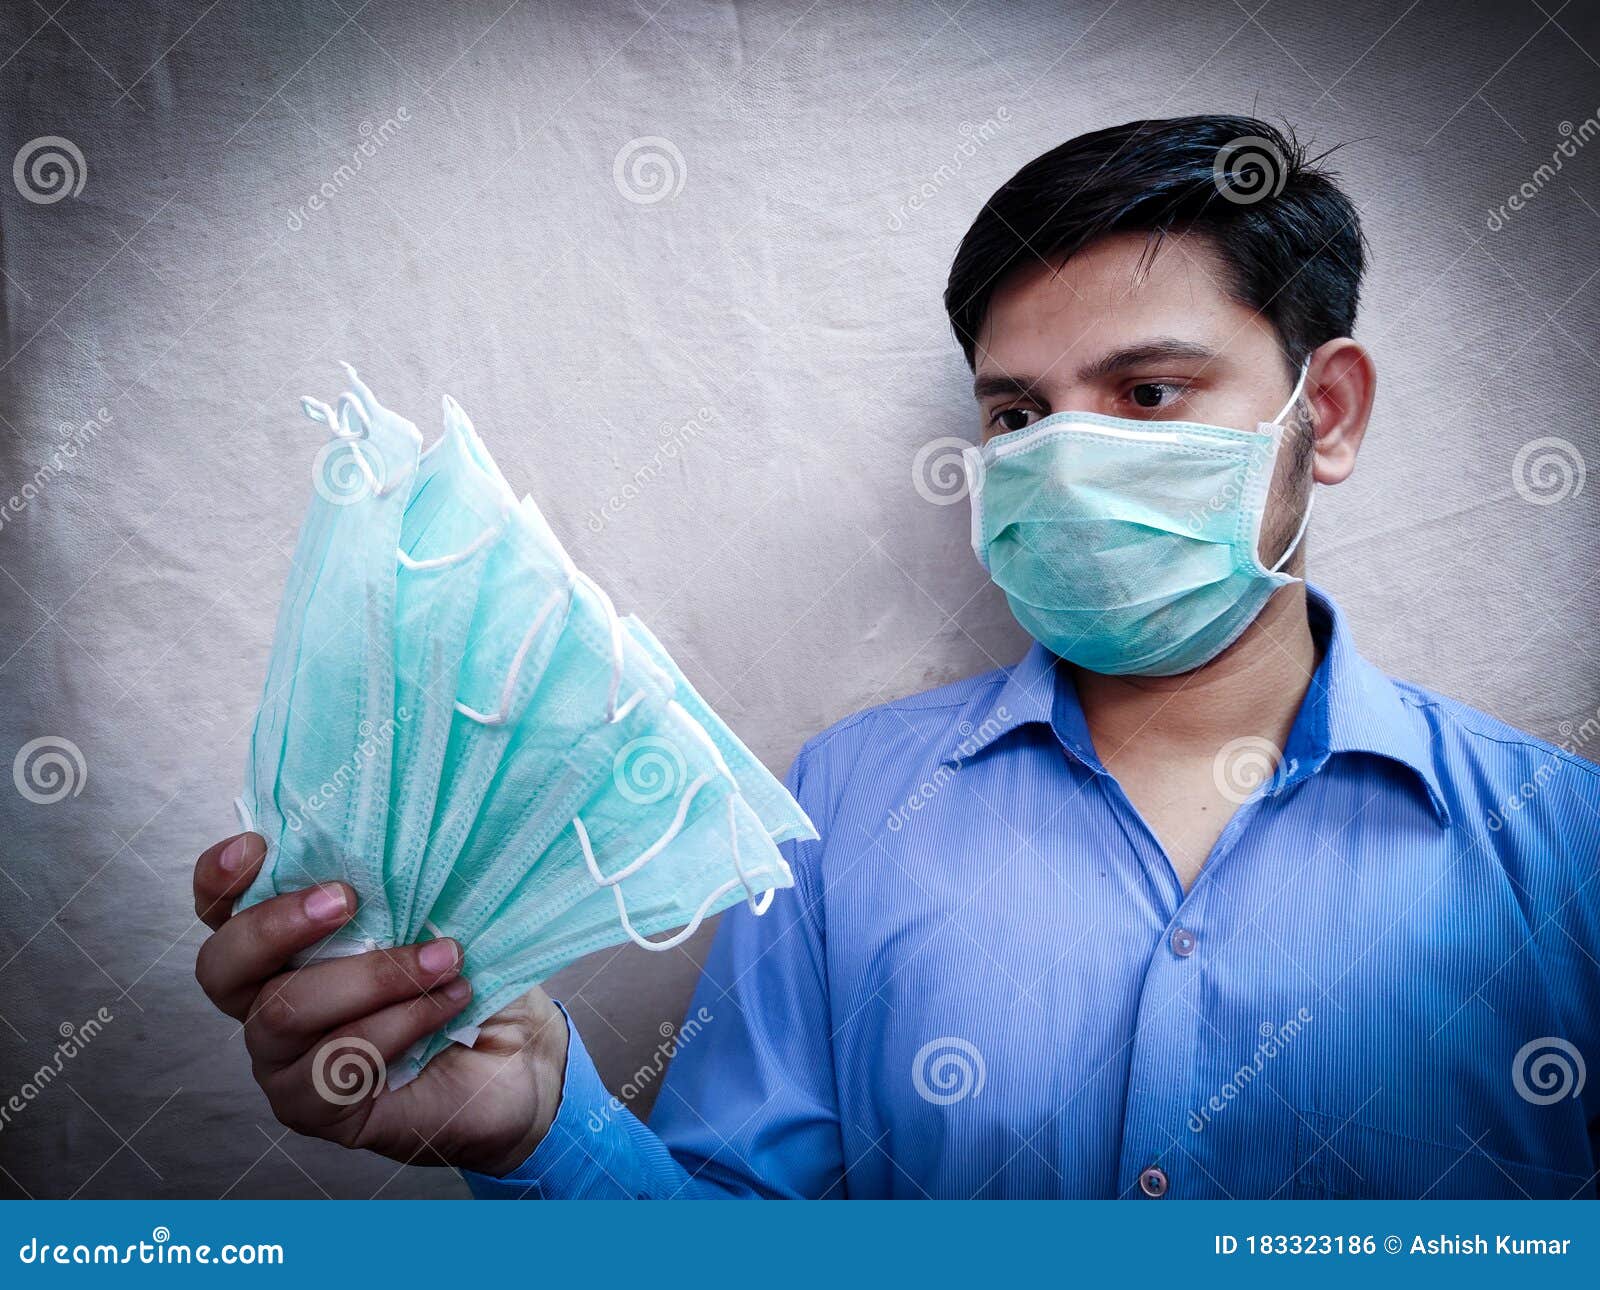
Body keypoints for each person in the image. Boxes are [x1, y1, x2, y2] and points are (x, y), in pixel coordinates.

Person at [192, 115, 1599, 1198]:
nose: (1065, 462)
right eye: (1016, 418)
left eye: (1147, 392)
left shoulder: (1567, 851)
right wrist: (538, 1129)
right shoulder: (846, 805)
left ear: (1325, 413)